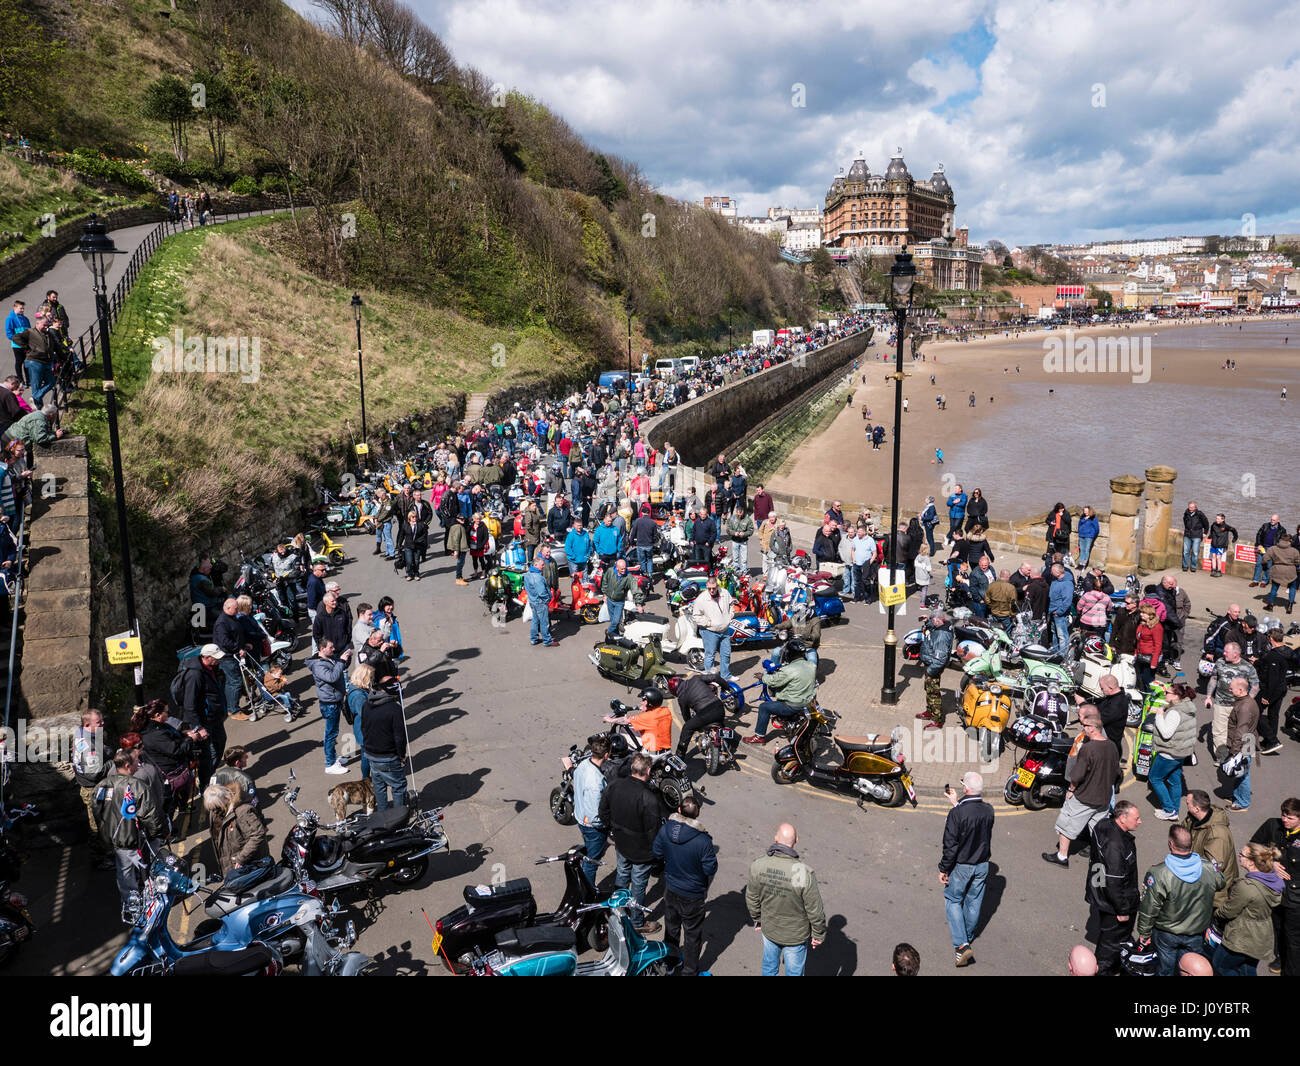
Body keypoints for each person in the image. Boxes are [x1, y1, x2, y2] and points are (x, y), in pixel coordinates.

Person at [1135, 825, 1225, 977]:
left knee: (1165, 969)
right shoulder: (1208, 868)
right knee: (1189, 969)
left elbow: (1149, 907)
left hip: (1166, 933)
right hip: (1196, 932)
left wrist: (1144, 933)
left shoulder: (1159, 873)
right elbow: (1221, 882)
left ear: (1171, 844)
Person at [745, 823, 827, 977]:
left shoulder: (759, 865)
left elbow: (752, 898)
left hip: (770, 929)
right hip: (795, 936)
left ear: (776, 838)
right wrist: (818, 934)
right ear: (796, 840)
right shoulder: (803, 873)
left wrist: (758, 918)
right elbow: (815, 910)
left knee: (769, 969)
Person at [1043, 707, 1118, 869]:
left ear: (1092, 728)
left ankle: (1062, 856)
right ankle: (1103, 861)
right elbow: (1116, 772)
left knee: (1067, 824)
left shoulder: (1088, 748)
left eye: (1085, 726)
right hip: (1103, 799)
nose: (1083, 728)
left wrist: (1071, 790)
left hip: (1084, 797)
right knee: (1099, 832)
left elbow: (1077, 775)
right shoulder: (1112, 746)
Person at [97, 749, 167, 920]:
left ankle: (131, 905)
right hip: (139, 838)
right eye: (136, 762)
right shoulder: (137, 785)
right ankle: (154, 901)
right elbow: (151, 814)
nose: (139, 764)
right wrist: (160, 832)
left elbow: (97, 812)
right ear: (128, 766)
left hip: (117, 838)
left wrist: (107, 833)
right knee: (151, 867)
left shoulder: (102, 785)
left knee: (125, 872)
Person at [653, 794, 717, 977]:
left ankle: (670, 962)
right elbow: (710, 867)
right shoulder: (703, 840)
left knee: (671, 929)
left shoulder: (666, 829)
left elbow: (657, 852)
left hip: (671, 888)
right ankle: (689, 971)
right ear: (698, 814)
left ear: (679, 810)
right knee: (692, 935)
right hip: (693, 895)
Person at [597, 753, 662, 930]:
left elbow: (603, 811)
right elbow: (653, 831)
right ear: (648, 771)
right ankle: (636, 922)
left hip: (621, 842)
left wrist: (613, 829)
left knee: (622, 875)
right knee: (639, 885)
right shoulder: (649, 797)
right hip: (641, 850)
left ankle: (618, 912)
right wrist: (655, 852)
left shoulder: (615, 785)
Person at [939, 772, 994, 968]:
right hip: (982, 865)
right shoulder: (989, 810)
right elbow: (973, 827)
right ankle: (967, 936)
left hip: (963, 866)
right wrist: (957, 803)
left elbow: (951, 844)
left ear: (965, 789)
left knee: (953, 899)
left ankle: (961, 945)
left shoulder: (958, 813)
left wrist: (944, 869)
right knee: (974, 900)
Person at [1210, 841, 1285, 976]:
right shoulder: (1274, 881)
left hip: (1241, 938)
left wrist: (1216, 914)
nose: (1239, 856)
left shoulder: (1247, 887)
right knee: (1247, 969)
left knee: (1220, 965)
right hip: (1261, 937)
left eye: (1242, 854)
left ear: (1251, 862)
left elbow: (1228, 910)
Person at [1085, 800, 1142, 975]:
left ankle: (1115, 963)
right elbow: (1114, 881)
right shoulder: (1116, 846)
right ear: (1122, 818)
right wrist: (1122, 910)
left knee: (1111, 937)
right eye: (1136, 818)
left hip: (1099, 892)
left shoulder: (1103, 824)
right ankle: (1103, 971)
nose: (1139, 822)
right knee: (1111, 944)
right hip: (1113, 902)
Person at [1249, 797, 1300, 976]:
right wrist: (1271, 862)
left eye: (1291, 818)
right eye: (1283, 815)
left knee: (1293, 939)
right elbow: (1253, 845)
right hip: (1274, 891)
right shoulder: (1273, 825)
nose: (1285, 820)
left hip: (1295, 900)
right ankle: (1279, 958)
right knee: (1276, 929)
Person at [1147, 683, 1198, 819]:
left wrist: (1159, 715)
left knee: (1155, 778)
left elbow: (1166, 733)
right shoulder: (1186, 707)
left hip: (1168, 753)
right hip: (1181, 752)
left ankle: (1169, 809)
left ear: (1176, 696)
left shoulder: (1175, 713)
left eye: (1167, 693)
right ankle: (1174, 811)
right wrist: (1164, 707)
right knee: (1174, 780)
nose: (1164, 695)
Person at [203, 782, 269, 877]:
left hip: (251, 867)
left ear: (226, 799)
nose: (214, 812)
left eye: (216, 807)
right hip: (235, 868)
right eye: (211, 809)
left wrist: (241, 858)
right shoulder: (216, 812)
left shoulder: (243, 812)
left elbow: (257, 835)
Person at [306, 639, 352, 776]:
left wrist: (345, 658)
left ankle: (332, 756)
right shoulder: (318, 665)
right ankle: (330, 764)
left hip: (335, 699)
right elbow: (332, 677)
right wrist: (341, 661)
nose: (334, 649)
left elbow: (339, 670)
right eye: (331, 647)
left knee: (332, 732)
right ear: (322, 648)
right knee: (331, 734)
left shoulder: (330, 658)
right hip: (329, 703)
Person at [1205, 642, 1258, 760]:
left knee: (1240, 732)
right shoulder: (1220, 662)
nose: (1223, 653)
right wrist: (1208, 696)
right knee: (1219, 732)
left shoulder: (1248, 667)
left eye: (1226, 652)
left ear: (1235, 654)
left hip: (1239, 706)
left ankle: (1240, 758)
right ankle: (1222, 758)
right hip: (1221, 703)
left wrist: (1248, 702)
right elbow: (1214, 678)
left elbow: (1255, 686)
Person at [360, 682, 407, 810]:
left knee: (379, 786)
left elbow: (363, 728)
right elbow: (399, 737)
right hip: (389, 756)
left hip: (371, 754)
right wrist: (402, 755)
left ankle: (383, 815)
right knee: (398, 786)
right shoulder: (395, 709)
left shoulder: (366, 705)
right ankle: (398, 817)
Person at [572, 733, 611, 888]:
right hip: (592, 828)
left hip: (581, 818)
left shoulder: (583, 765)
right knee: (592, 862)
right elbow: (595, 817)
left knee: (589, 852)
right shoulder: (595, 782)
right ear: (606, 755)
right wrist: (607, 825)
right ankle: (586, 892)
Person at [667, 672, 726, 761]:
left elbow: (686, 716)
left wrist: (695, 727)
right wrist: (726, 687)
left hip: (706, 713)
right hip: (719, 708)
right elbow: (715, 677)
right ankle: (725, 743)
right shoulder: (695, 678)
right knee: (721, 726)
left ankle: (679, 756)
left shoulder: (682, 698)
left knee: (687, 727)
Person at [687, 573, 735, 681]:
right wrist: (707, 623)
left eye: (713, 588)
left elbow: (731, 605)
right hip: (710, 632)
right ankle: (710, 678)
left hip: (725, 630)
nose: (711, 591)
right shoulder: (701, 599)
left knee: (726, 654)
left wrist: (730, 616)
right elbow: (696, 615)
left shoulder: (725, 593)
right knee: (710, 656)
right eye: (709, 588)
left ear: (717, 586)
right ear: (706, 586)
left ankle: (725, 676)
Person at [1223, 677, 1259, 813]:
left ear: (1240, 689)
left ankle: (1243, 803)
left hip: (1243, 745)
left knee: (1243, 774)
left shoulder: (1244, 706)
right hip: (1245, 743)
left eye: (1231, 688)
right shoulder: (1246, 701)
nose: (1229, 689)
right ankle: (1238, 797)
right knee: (1240, 773)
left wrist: (1234, 751)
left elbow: (1241, 730)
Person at [917, 608, 953, 729]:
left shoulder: (941, 636)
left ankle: (936, 720)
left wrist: (930, 671)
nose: (931, 623)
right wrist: (927, 622)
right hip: (931, 663)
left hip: (933, 667)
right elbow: (933, 630)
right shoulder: (943, 625)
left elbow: (940, 659)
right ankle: (930, 711)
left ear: (937, 620)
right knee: (929, 689)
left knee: (933, 693)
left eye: (932, 621)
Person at [600, 556, 644, 637]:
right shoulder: (610, 571)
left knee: (616, 621)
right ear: (617, 568)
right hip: (609, 600)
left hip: (619, 602)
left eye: (625, 568)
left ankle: (608, 632)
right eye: (622, 569)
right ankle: (615, 637)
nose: (624, 570)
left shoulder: (628, 577)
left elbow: (636, 590)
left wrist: (639, 604)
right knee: (613, 621)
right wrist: (605, 594)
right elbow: (605, 582)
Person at [523, 556, 557, 648]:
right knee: (544, 622)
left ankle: (533, 639)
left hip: (533, 602)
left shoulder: (528, 574)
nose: (543, 567)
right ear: (535, 565)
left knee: (535, 621)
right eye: (542, 565)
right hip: (540, 603)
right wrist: (547, 600)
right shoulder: (537, 577)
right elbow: (542, 592)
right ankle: (547, 641)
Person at [1263, 533, 1300, 613]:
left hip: (1277, 571)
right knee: (1292, 588)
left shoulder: (1273, 548)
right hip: (1291, 572)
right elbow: (1298, 562)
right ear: (1289, 541)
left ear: (1280, 540)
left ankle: (1270, 605)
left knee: (1274, 588)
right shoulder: (1295, 551)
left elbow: (1265, 559)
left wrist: (1265, 567)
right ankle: (1290, 606)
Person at [1251, 513, 1286, 588]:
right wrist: (1259, 544)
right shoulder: (1265, 525)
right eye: (1271, 519)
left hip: (1272, 550)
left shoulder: (1282, 530)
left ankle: (1264, 581)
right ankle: (1255, 580)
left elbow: (1283, 541)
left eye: (1274, 520)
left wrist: (1277, 549)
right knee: (1259, 564)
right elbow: (1259, 535)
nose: (1272, 521)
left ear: (1278, 520)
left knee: (1269, 566)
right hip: (1263, 547)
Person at [1181, 501, 1210, 572]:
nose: (1190, 508)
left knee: (1195, 552)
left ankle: (1193, 566)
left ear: (1195, 507)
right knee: (1185, 551)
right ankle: (1185, 566)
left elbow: (1206, 523)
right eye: (1189, 506)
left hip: (1197, 535)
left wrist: (1205, 533)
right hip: (1187, 535)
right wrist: (1185, 529)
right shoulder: (1186, 513)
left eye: (1192, 507)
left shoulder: (1200, 514)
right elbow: (1185, 521)